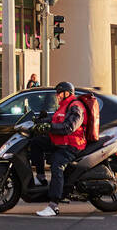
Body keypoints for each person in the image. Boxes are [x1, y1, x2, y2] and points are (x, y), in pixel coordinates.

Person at [28, 80, 90, 218]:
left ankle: (53, 206)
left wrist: (49, 128)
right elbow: (55, 120)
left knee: (57, 166)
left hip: (72, 145)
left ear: (67, 93)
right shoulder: (63, 106)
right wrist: (39, 122)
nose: (58, 96)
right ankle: (40, 177)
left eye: (60, 93)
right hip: (60, 142)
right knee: (36, 142)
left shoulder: (76, 107)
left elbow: (69, 127)